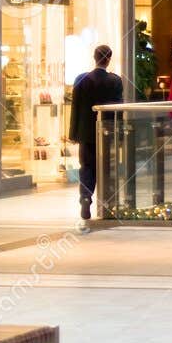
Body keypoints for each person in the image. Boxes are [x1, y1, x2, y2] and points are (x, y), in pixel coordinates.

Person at [69, 44, 124, 221]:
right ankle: (107, 203)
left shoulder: (81, 80)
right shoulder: (115, 81)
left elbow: (75, 108)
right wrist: (120, 133)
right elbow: (118, 109)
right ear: (109, 59)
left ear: (94, 58)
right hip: (106, 133)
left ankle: (85, 196)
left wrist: (73, 134)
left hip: (86, 133)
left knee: (86, 166)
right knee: (106, 167)